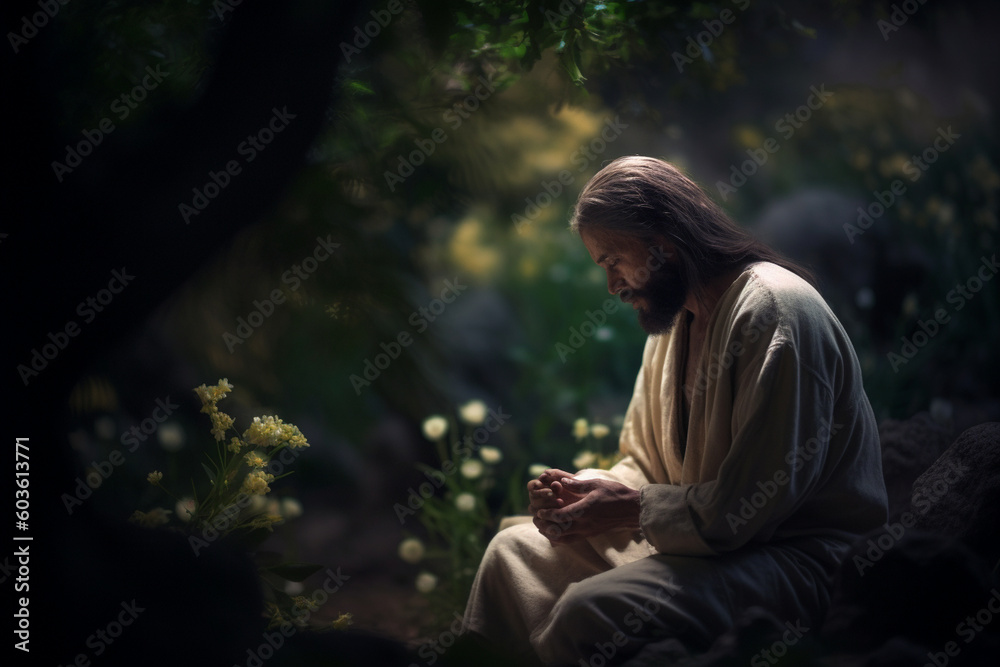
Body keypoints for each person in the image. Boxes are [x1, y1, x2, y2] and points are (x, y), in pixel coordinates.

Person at [462, 156, 888, 665]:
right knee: (510, 556)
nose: (612, 285)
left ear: (663, 243)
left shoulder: (774, 313)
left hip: (793, 560)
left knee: (588, 610)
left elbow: (749, 508)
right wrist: (580, 494)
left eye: (613, 261)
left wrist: (629, 509)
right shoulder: (673, 324)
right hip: (701, 543)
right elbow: (644, 464)